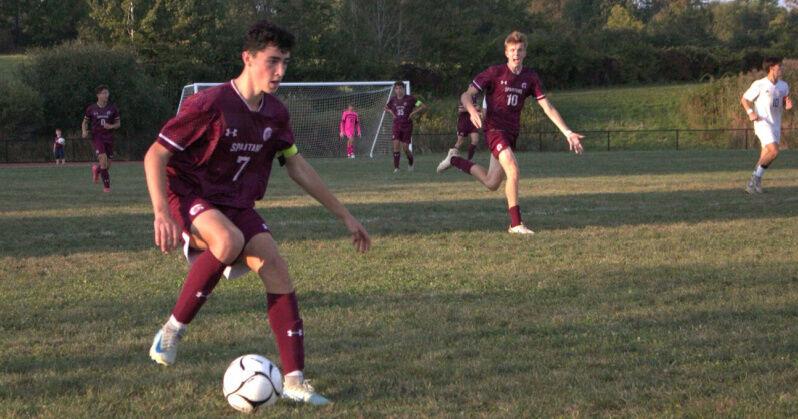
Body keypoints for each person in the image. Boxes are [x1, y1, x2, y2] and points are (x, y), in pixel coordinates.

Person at [143, 20, 370, 406]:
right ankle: (173, 328)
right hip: (190, 193)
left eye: (285, 63)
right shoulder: (210, 103)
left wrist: (345, 216)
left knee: (277, 268)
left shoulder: (276, 114)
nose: (280, 71)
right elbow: (156, 153)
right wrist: (161, 213)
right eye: (272, 62)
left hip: (236, 203)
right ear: (247, 58)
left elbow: (297, 167)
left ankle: (294, 380)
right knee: (227, 240)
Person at [436, 31, 584, 234]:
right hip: (494, 130)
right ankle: (516, 224)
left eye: (520, 50)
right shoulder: (494, 73)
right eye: (512, 50)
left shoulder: (530, 77)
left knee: (491, 182)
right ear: (506, 52)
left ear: (525, 53)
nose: (516, 53)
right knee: (513, 169)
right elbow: (466, 95)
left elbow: (547, 106)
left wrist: (567, 132)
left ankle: (454, 160)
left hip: (511, 133)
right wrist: (471, 111)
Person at [741, 56, 792, 194]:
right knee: (774, 151)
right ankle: (754, 180)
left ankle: (753, 184)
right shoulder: (760, 84)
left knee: (765, 155)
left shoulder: (784, 86)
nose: (781, 68)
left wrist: (786, 104)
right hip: (762, 122)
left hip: (775, 124)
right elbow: (744, 99)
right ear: (771, 68)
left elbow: (783, 101)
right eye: (779, 66)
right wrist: (750, 112)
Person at [82, 85, 120, 192]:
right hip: (97, 137)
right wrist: (84, 131)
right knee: (103, 159)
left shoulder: (112, 108)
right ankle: (107, 188)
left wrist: (111, 126)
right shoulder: (91, 108)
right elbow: (85, 122)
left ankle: (96, 170)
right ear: (98, 95)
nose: (106, 95)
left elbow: (118, 124)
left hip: (109, 138)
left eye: (107, 93)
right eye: (103, 93)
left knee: (107, 165)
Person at [385, 82, 426, 172]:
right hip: (396, 125)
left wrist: (413, 113)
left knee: (405, 148)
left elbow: (423, 106)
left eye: (400, 88)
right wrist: (391, 113)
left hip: (407, 126)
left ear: (403, 89)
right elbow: (386, 107)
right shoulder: (393, 99)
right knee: (395, 145)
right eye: (396, 88)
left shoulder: (411, 99)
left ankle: (411, 161)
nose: (398, 90)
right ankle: (396, 168)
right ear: (395, 90)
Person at [449, 96, 485, 161]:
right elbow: (460, 109)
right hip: (463, 123)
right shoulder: (464, 97)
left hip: (472, 122)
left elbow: (478, 109)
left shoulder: (474, 98)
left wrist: (480, 113)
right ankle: (450, 158)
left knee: (475, 140)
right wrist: (473, 108)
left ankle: (469, 160)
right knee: (460, 141)